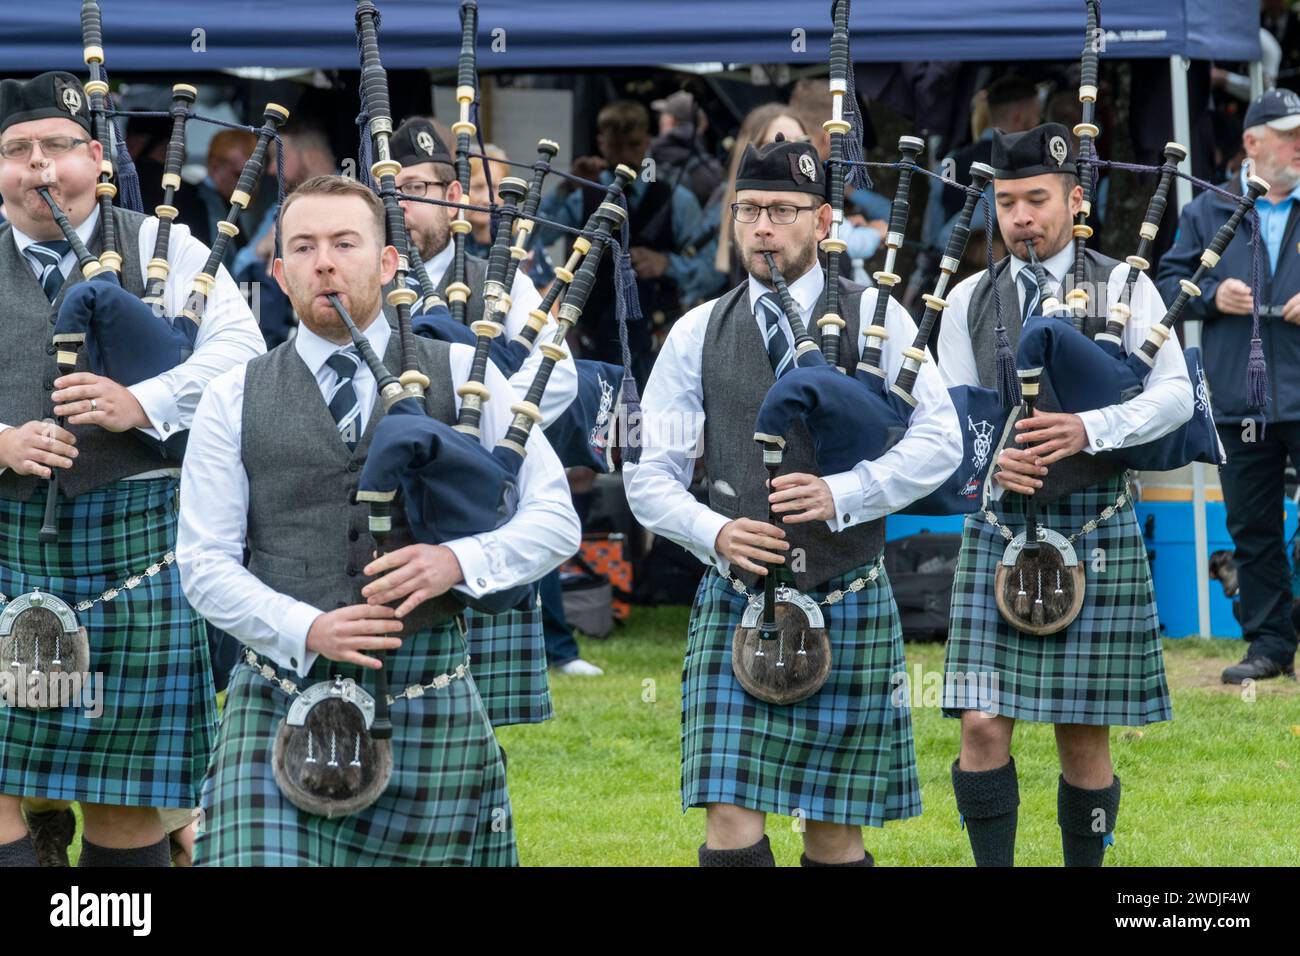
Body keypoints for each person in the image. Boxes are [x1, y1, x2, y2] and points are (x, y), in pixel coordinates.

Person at [177, 174, 580, 865]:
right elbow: (204, 563)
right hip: (278, 692)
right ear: (278, 274)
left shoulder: (463, 373)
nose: (323, 262)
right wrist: (307, 628)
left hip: (425, 694)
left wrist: (458, 562)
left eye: (344, 243)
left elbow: (554, 520)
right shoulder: (231, 395)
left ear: (389, 262)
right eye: (301, 247)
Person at [625, 134, 962, 866]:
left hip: (848, 592)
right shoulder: (696, 333)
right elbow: (650, 472)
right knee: (729, 817)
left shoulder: (880, 319)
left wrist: (844, 492)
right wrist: (714, 533)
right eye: (748, 210)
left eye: (783, 209)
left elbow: (941, 442)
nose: (762, 227)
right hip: (737, 599)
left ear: (824, 220)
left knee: (835, 830)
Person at [0, 70, 265, 867]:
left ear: (94, 155)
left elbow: (242, 355)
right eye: (16, 151)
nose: (39, 167)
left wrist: (141, 400)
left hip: (136, 539)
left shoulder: (164, 245)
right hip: (6, 540)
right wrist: (2, 443)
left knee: (125, 790)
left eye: (56, 147)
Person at [937, 123, 1194, 867]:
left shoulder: (1127, 285)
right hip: (999, 525)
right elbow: (949, 418)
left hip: (1094, 523)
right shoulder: (965, 300)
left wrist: (1090, 428)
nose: (1021, 216)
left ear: (1074, 199)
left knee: (1083, 730)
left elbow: (1175, 396)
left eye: (1037, 199)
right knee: (982, 722)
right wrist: (986, 471)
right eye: (1007, 200)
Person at [391, 116, 592, 712]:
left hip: (478, 506)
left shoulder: (498, 281)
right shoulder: (360, 273)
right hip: (389, 507)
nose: (402, 206)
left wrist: (475, 425)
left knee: (479, 721)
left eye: (418, 190)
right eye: (390, 191)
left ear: (454, 197)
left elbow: (559, 377)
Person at [1156, 89, 1300, 684]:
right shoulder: (1209, 208)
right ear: (1251, 143)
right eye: (1288, 134)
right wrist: (1212, 297)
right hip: (1242, 397)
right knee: (1251, 524)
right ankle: (1269, 646)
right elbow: (1163, 283)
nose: (1298, 145)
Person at [538, 100, 703, 378]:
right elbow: (537, 236)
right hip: (590, 341)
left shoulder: (674, 199)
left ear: (647, 143)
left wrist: (667, 264)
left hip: (660, 342)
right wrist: (566, 186)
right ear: (601, 143)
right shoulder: (582, 194)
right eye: (615, 146)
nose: (624, 155)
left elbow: (709, 270)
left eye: (633, 144)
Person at [232, 121, 337, 349]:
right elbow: (241, 266)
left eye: (278, 157)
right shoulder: (279, 210)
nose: (270, 169)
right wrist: (265, 245)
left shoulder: (359, 205)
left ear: (309, 156)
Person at [192, 129, 256, 270]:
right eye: (239, 175)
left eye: (255, 177)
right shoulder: (207, 205)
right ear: (214, 167)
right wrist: (253, 291)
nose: (252, 185)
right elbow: (221, 270)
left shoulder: (226, 203)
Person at [650, 90, 723, 209]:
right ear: (701, 126)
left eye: (662, 115)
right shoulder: (711, 168)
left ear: (670, 120)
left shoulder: (644, 156)